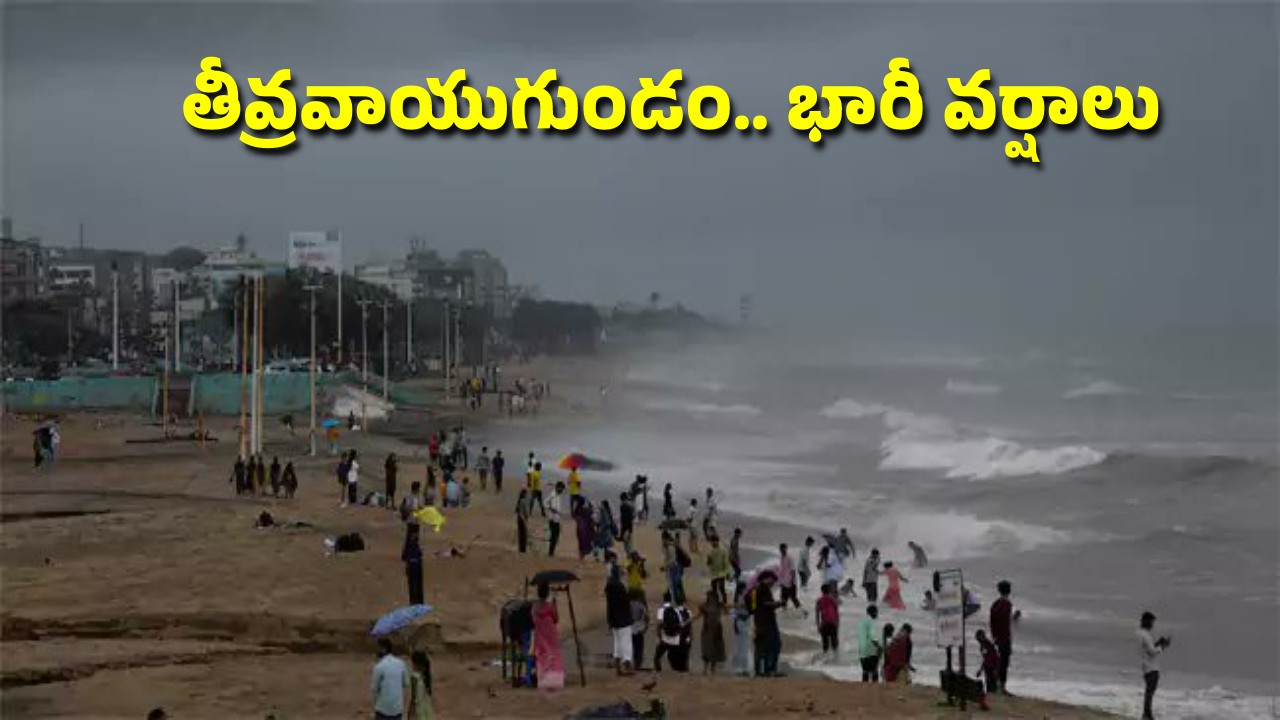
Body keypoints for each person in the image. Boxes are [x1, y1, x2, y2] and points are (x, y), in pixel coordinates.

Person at [531, 581, 565, 690]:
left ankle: (543, 679)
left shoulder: (534, 607)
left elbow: (533, 620)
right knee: (554, 654)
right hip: (551, 635)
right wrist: (554, 605)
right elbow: (556, 619)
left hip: (540, 636)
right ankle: (555, 680)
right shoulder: (550, 606)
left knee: (542, 656)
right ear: (547, 593)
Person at [1139, 611, 1171, 720]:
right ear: (1146, 621)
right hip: (1151, 667)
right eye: (1151, 622)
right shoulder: (1145, 635)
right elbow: (1152, 652)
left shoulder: (1141, 633)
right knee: (1150, 693)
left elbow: (1148, 649)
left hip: (1146, 666)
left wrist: (1158, 643)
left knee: (1149, 692)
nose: (1152, 624)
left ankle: (1146, 714)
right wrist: (1162, 646)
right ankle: (1147, 715)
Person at [990, 580, 1020, 694]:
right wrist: (1015, 617)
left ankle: (997, 685)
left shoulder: (995, 604)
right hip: (1004, 638)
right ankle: (1001, 687)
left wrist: (995, 637)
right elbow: (1006, 623)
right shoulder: (1006, 604)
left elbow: (993, 621)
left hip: (998, 637)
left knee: (1001, 662)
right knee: (1004, 663)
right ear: (1009, 591)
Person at [750, 575, 783, 677]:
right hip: (766, 622)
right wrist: (777, 604)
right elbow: (764, 604)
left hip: (759, 621)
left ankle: (760, 671)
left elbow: (754, 607)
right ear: (765, 579)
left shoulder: (755, 591)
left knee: (762, 647)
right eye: (772, 580)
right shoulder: (762, 590)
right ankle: (769, 669)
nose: (773, 583)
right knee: (773, 645)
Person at [371, 637, 410, 720]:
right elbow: (406, 684)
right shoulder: (401, 663)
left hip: (383, 709)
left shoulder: (379, 666)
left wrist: (375, 707)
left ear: (383, 649)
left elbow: (374, 689)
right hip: (397, 708)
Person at [605, 566, 635, 674]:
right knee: (626, 642)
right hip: (624, 619)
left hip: (614, 619)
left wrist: (609, 619)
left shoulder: (609, 587)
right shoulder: (621, 587)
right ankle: (627, 666)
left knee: (617, 643)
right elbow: (627, 601)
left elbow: (609, 605)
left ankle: (618, 666)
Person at [699, 588, 726, 674]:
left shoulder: (719, 605)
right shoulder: (704, 606)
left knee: (715, 649)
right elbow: (699, 615)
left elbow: (727, 610)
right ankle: (705, 669)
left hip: (716, 629)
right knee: (707, 649)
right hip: (707, 629)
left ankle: (712, 669)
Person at [653, 591, 680, 672]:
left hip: (665, 638)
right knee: (674, 658)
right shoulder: (676, 610)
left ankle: (659, 672)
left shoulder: (661, 610)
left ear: (663, 599)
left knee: (657, 658)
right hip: (675, 638)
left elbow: (659, 624)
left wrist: (659, 636)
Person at [815, 582, 840, 662]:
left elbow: (817, 614)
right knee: (834, 643)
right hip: (833, 623)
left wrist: (818, 626)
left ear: (822, 591)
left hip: (824, 624)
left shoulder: (819, 600)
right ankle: (835, 659)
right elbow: (836, 613)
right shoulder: (833, 599)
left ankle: (825, 659)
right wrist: (837, 624)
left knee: (825, 643)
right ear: (829, 591)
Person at [857, 604, 882, 682]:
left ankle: (864, 689)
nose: (877, 614)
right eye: (876, 613)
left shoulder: (861, 621)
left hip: (862, 650)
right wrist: (879, 646)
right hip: (870, 650)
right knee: (874, 670)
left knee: (865, 671)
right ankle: (874, 689)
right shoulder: (870, 622)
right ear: (873, 613)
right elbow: (872, 637)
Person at [402, 523, 425, 605]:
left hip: (416, 565)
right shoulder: (411, 544)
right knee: (414, 584)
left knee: (416, 584)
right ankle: (415, 602)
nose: (416, 535)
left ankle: (417, 601)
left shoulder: (413, 544)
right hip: (413, 565)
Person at [409, 650, 434, 720]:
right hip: (427, 709)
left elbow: (413, 697)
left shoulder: (414, 677)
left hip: (419, 709)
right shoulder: (426, 676)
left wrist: (410, 712)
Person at [706, 535, 730, 606]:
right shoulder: (710, 552)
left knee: (721, 588)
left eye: (715, 542)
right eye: (713, 542)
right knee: (714, 588)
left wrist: (727, 573)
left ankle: (724, 602)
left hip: (721, 573)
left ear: (718, 542)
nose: (714, 543)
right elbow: (708, 563)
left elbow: (726, 562)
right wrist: (709, 560)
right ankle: (716, 601)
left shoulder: (723, 550)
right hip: (714, 573)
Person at [731, 599, 752, 677]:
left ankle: (743, 669)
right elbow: (733, 614)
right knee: (741, 649)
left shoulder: (741, 608)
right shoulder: (738, 608)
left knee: (743, 649)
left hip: (744, 629)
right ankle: (741, 669)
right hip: (741, 629)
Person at [629, 588, 649, 670]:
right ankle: (638, 663)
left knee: (632, 646)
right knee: (639, 647)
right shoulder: (641, 605)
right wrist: (646, 627)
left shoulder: (627, 604)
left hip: (630, 628)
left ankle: (633, 663)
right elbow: (646, 617)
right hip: (640, 628)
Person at [976, 629, 1000, 696]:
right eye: (978, 638)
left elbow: (996, 657)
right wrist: (980, 670)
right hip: (987, 667)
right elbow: (985, 659)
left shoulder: (988, 644)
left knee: (992, 686)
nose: (978, 640)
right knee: (989, 686)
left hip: (992, 667)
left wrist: (996, 669)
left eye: (979, 637)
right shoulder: (982, 646)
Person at [778, 543, 802, 610]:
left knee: (793, 598)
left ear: (786, 548)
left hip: (790, 582)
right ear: (780, 549)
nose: (782, 550)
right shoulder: (781, 557)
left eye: (784, 548)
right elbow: (782, 570)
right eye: (781, 548)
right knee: (783, 598)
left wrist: (792, 581)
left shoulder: (789, 557)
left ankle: (802, 612)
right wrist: (780, 581)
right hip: (784, 582)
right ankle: (785, 613)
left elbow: (793, 570)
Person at [546, 481, 564, 557]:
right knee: (554, 536)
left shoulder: (558, 495)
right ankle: (551, 553)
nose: (562, 491)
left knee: (556, 536)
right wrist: (551, 508)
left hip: (557, 519)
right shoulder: (552, 495)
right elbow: (545, 503)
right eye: (561, 489)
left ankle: (551, 551)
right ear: (558, 487)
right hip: (552, 519)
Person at [514, 489, 531, 553]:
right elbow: (522, 513)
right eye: (527, 494)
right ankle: (523, 549)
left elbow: (518, 511)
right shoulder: (523, 501)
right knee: (524, 535)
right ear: (524, 494)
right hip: (522, 519)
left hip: (520, 519)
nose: (527, 495)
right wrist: (524, 521)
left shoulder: (520, 501)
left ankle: (521, 549)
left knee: (521, 535)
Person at [729, 527, 744, 601]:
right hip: (733, 558)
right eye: (740, 534)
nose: (740, 535)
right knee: (738, 571)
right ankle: (732, 579)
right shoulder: (735, 540)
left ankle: (734, 579)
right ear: (737, 533)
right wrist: (737, 559)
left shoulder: (733, 539)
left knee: (738, 571)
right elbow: (735, 551)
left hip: (731, 557)